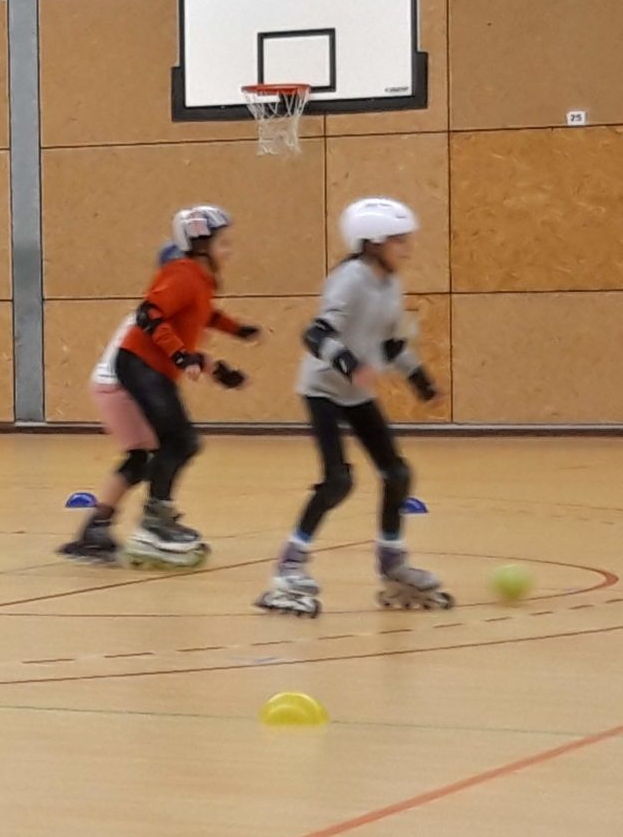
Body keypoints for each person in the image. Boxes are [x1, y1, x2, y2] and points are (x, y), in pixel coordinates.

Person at [255, 197, 449, 616]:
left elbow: (390, 344)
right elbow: (315, 335)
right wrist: (349, 364)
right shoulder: (350, 279)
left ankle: (392, 563)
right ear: (373, 242)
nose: (407, 249)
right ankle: (289, 566)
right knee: (338, 480)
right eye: (399, 240)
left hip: (356, 394)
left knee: (397, 473)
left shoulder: (390, 283)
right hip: (322, 389)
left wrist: (420, 380)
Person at [112, 205, 256, 568]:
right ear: (201, 246)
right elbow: (149, 313)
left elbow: (206, 314)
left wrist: (239, 330)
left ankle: (157, 517)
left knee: (180, 442)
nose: (229, 251)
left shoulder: (200, 280)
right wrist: (181, 356)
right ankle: (153, 525)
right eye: (223, 244)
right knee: (180, 442)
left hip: (151, 369)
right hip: (138, 363)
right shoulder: (182, 274)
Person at [58, 243, 181, 563]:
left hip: (118, 387)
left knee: (145, 457)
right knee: (170, 449)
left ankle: (99, 527)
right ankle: (155, 523)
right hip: (119, 387)